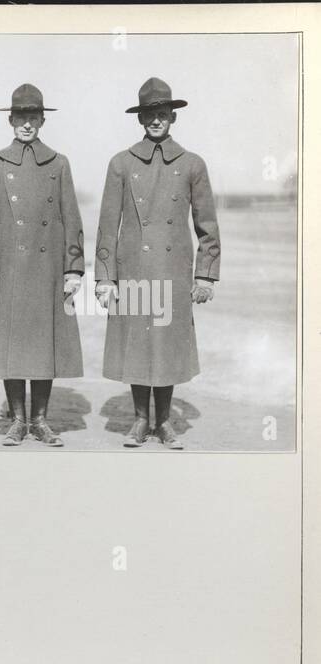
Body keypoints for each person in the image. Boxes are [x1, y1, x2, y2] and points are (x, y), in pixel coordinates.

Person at [94, 77, 221, 449]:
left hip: (172, 272)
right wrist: (105, 279)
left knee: (165, 345)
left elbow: (208, 226)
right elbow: (106, 226)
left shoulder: (193, 164)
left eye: (162, 113)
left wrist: (205, 277)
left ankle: (164, 423)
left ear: (173, 117)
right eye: (150, 113)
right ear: (141, 118)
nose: (156, 120)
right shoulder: (120, 163)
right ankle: (139, 421)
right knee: (138, 344)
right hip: (133, 269)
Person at [0, 83, 85, 447]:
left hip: (49, 269)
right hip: (10, 270)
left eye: (33, 117)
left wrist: (73, 268)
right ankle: (18, 419)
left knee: (44, 344)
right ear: (11, 119)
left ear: (41, 120)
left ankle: (40, 419)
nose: (26, 124)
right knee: (13, 346)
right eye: (20, 117)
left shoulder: (59, 163)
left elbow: (72, 219)